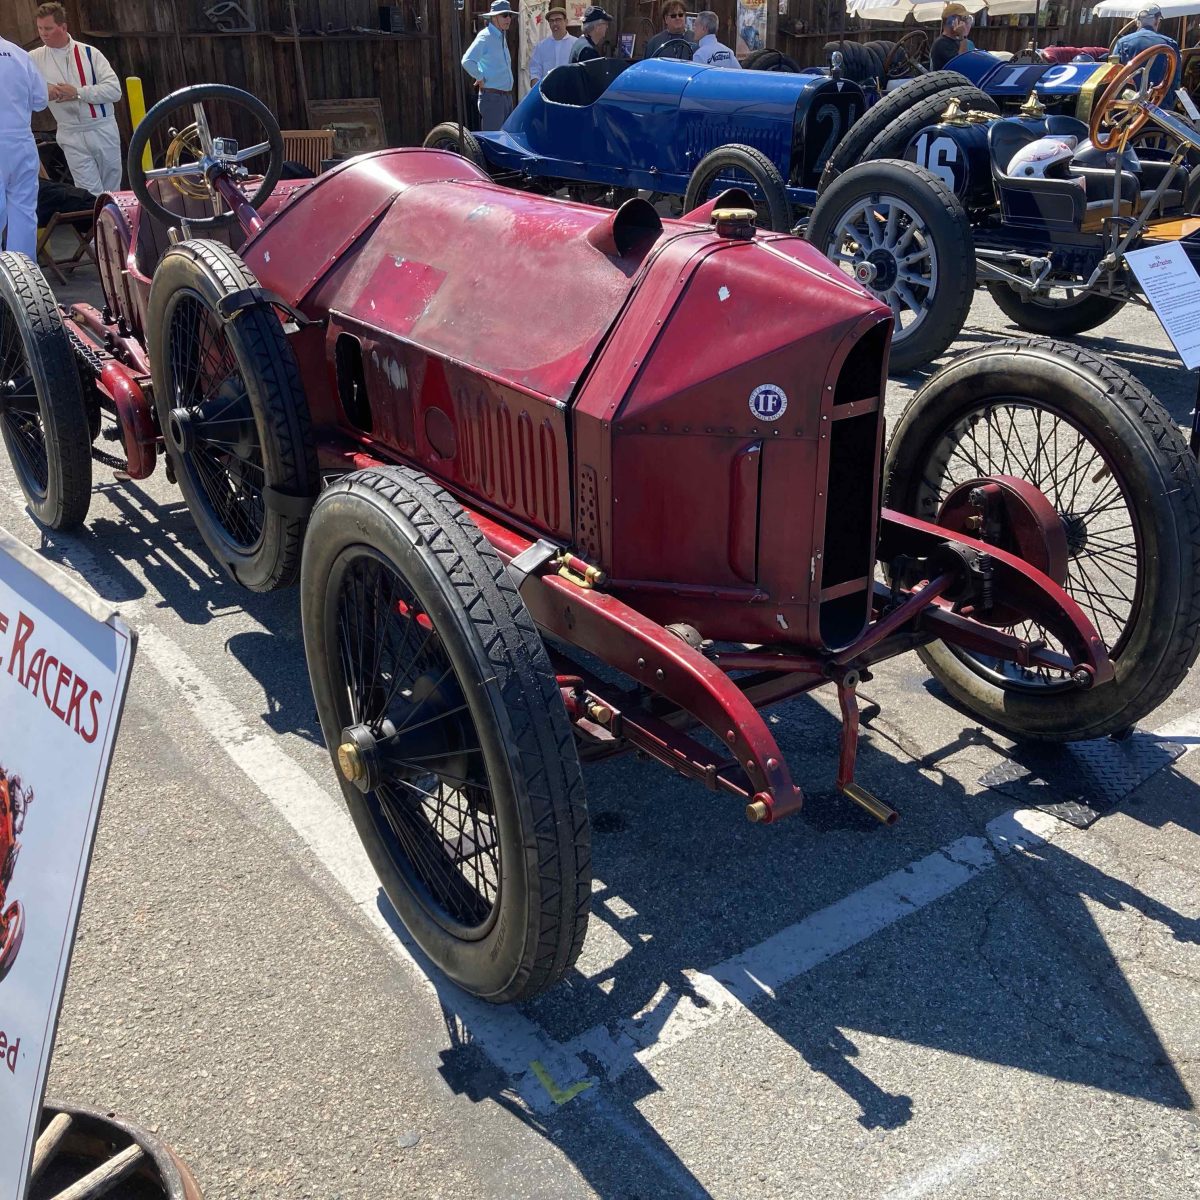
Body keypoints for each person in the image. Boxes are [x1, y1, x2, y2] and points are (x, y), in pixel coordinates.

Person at [29, 2, 122, 196]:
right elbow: (22, 86)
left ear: (63, 27)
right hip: (70, 131)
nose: (43, 33)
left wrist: (78, 92)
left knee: (112, 190)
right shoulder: (32, 59)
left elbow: (114, 90)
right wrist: (46, 91)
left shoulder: (89, 53)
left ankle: (116, 225)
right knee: (89, 193)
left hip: (101, 127)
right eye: (39, 29)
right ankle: (95, 225)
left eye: (48, 28)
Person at [0, 34, 49, 260]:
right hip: (21, 141)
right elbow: (40, 100)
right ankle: (24, 282)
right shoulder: (18, 54)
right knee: (24, 215)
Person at [462, 0, 515, 132]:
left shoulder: (500, 35)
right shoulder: (485, 37)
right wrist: (480, 77)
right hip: (493, 98)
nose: (508, 18)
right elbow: (467, 60)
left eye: (510, 15)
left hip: (505, 97)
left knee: (504, 141)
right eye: (504, 15)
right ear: (494, 17)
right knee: (494, 141)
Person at [1113, 4, 1180, 100]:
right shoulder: (1170, 44)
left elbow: (1114, 75)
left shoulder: (1122, 43)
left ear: (1137, 21)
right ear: (1157, 21)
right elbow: (1175, 80)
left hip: (1127, 105)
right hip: (1159, 107)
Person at [529, 6, 575, 86]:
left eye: (558, 20)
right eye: (551, 21)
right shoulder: (541, 46)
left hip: (570, 92)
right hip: (547, 92)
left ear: (566, 21)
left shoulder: (575, 44)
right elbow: (535, 71)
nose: (555, 24)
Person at [930, 3, 973, 71]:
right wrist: (963, 36)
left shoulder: (956, 41)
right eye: (962, 18)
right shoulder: (941, 43)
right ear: (951, 20)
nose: (964, 22)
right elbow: (961, 65)